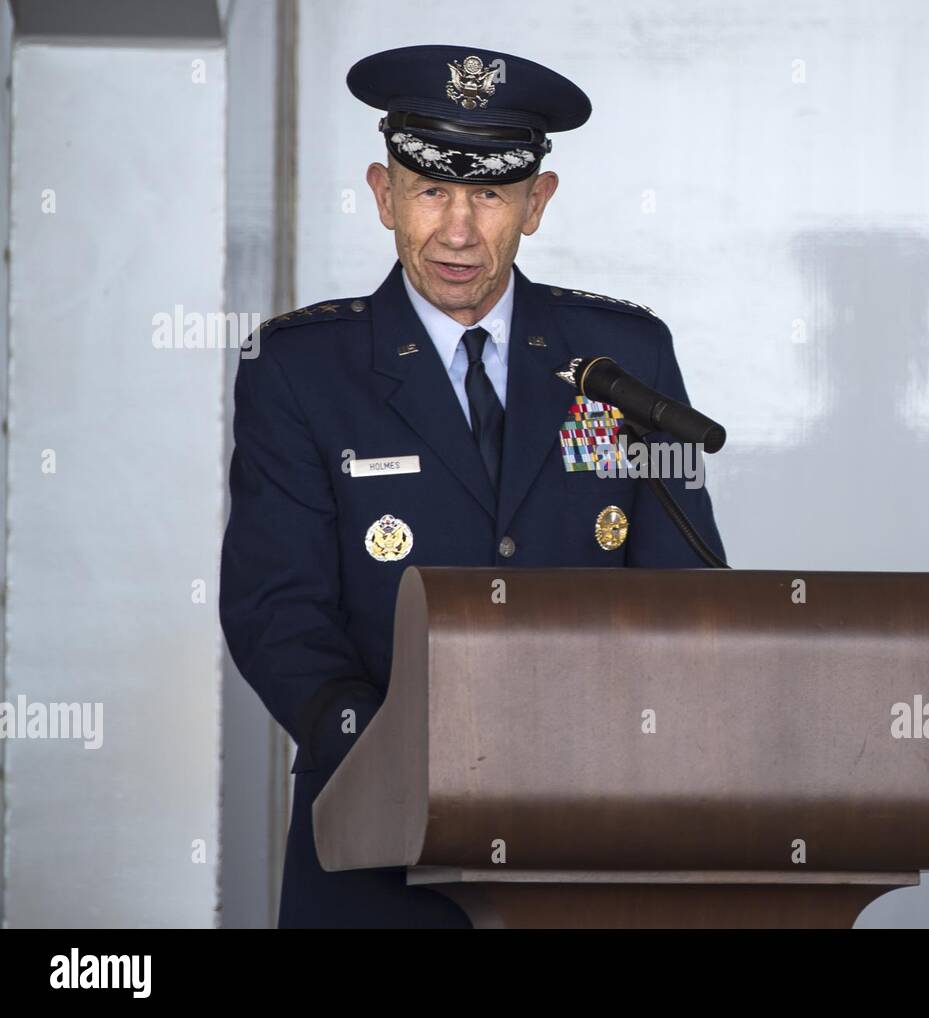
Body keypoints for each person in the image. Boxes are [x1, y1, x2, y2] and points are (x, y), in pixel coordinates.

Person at [218, 44, 725, 928]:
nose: (458, 229)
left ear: (537, 203)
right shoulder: (301, 369)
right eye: (430, 190)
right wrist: (395, 757)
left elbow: (685, 589)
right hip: (374, 847)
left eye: (490, 193)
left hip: (586, 834)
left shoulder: (623, 360)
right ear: (383, 194)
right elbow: (276, 608)